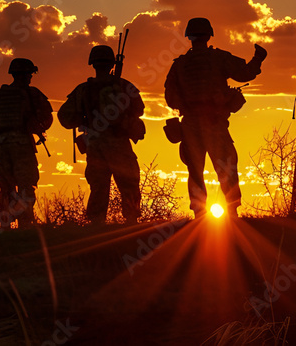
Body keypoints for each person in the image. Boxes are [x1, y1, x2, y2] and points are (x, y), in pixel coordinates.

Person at [165, 17, 267, 219]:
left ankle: (199, 213)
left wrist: (188, 104)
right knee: (227, 167)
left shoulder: (180, 64)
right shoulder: (219, 58)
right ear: (209, 35)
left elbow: (170, 97)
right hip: (214, 122)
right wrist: (258, 58)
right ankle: (232, 211)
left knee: (195, 171)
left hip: (190, 124)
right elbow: (245, 73)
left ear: (189, 36)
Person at [58, 45, 145, 224]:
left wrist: (82, 119)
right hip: (119, 143)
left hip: (95, 144)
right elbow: (139, 109)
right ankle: (131, 222)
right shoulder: (123, 85)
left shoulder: (83, 90)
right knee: (128, 183)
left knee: (98, 186)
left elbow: (65, 117)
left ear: (92, 64)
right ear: (112, 63)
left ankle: (96, 224)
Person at [0, 57, 53, 228]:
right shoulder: (32, 94)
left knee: (6, 187)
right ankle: (25, 224)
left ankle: (4, 225)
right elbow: (48, 117)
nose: (31, 77)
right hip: (22, 146)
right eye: (30, 74)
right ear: (26, 74)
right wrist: (36, 126)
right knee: (26, 185)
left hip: (0, 147)